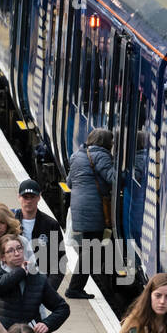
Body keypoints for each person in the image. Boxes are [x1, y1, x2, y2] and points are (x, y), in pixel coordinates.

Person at [65, 127, 116, 299]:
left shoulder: (77, 155)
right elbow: (113, 179)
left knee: (89, 249)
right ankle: (74, 289)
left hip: (79, 208)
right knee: (90, 250)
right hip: (94, 210)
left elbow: (69, 182)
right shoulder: (101, 156)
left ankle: (76, 288)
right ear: (106, 143)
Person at [0, 234, 70, 333]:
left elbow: (62, 308)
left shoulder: (37, 277)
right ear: (3, 257)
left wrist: (47, 324)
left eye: (19, 248)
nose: (17, 253)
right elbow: (1, 285)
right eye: (11, 250)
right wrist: (21, 271)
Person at [14, 178, 65, 290]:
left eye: (32, 197)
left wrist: (49, 288)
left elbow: (60, 260)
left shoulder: (51, 225)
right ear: (19, 197)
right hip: (15, 284)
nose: (28, 201)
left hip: (40, 284)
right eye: (25, 197)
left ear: (39, 197)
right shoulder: (10, 223)